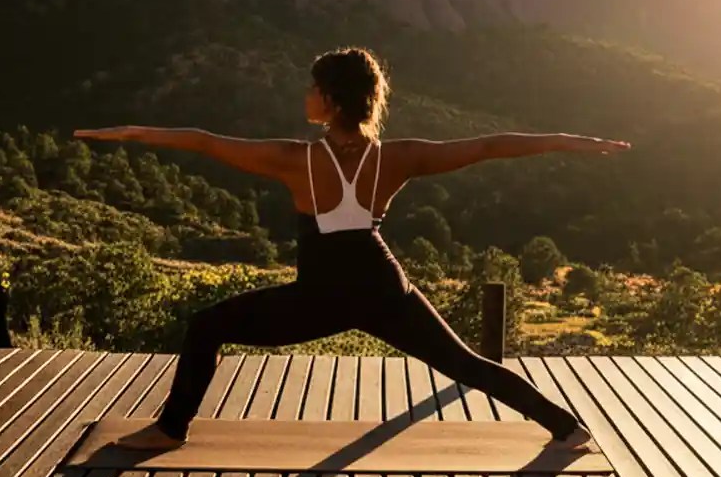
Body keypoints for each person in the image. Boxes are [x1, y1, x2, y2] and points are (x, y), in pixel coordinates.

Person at [74, 47, 630, 452]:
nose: (306, 96)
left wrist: (129, 132)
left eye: (313, 87)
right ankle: (567, 427)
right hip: (380, 286)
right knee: (465, 364)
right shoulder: (399, 157)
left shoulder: (293, 158)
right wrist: (569, 142)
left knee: (206, 326)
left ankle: (171, 429)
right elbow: (487, 146)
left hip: (320, 296)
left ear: (332, 97)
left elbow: (202, 141)